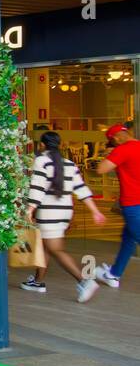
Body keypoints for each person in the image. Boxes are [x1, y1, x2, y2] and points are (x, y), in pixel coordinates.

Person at [20, 131, 107, 302]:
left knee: (55, 250)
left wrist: (30, 209)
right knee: (46, 246)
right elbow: (81, 188)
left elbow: (37, 187)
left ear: (42, 145)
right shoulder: (69, 164)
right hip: (65, 212)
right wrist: (95, 210)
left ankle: (84, 282)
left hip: (49, 212)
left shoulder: (41, 161)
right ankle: (37, 281)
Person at [94, 123, 140, 288]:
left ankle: (113, 275)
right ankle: (113, 274)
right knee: (128, 240)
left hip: (133, 203)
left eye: (112, 141)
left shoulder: (122, 150)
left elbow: (100, 169)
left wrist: (109, 155)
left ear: (116, 138)